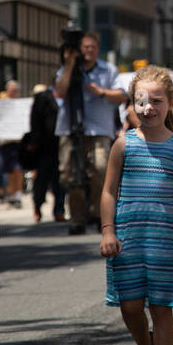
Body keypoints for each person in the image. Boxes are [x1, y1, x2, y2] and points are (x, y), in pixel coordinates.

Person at [99, 66, 173, 345]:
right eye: (141, 101)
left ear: (171, 103)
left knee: (162, 306)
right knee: (131, 305)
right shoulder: (123, 144)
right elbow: (108, 191)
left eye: (156, 101)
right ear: (131, 104)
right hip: (128, 235)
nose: (148, 107)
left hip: (165, 235)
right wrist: (108, 231)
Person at [54, 32, 123, 234]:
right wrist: (68, 65)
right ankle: (78, 218)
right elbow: (61, 92)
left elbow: (121, 95)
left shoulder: (108, 70)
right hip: (70, 129)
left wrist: (100, 91)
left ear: (97, 49)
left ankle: (99, 213)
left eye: (92, 47)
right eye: (85, 47)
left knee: (101, 169)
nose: (88, 51)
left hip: (100, 129)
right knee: (68, 174)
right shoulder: (68, 69)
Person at [28, 83, 66, 223]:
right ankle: (38, 207)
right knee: (42, 179)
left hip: (61, 144)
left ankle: (59, 210)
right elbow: (35, 122)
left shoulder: (70, 96)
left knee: (60, 179)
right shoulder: (43, 98)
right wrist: (34, 141)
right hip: (45, 146)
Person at [0, 80, 25, 207]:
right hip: (5, 141)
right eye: (10, 90)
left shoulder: (22, 105)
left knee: (18, 168)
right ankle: (12, 194)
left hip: (18, 141)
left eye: (14, 90)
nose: (12, 92)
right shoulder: (0, 105)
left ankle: (18, 194)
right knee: (9, 170)